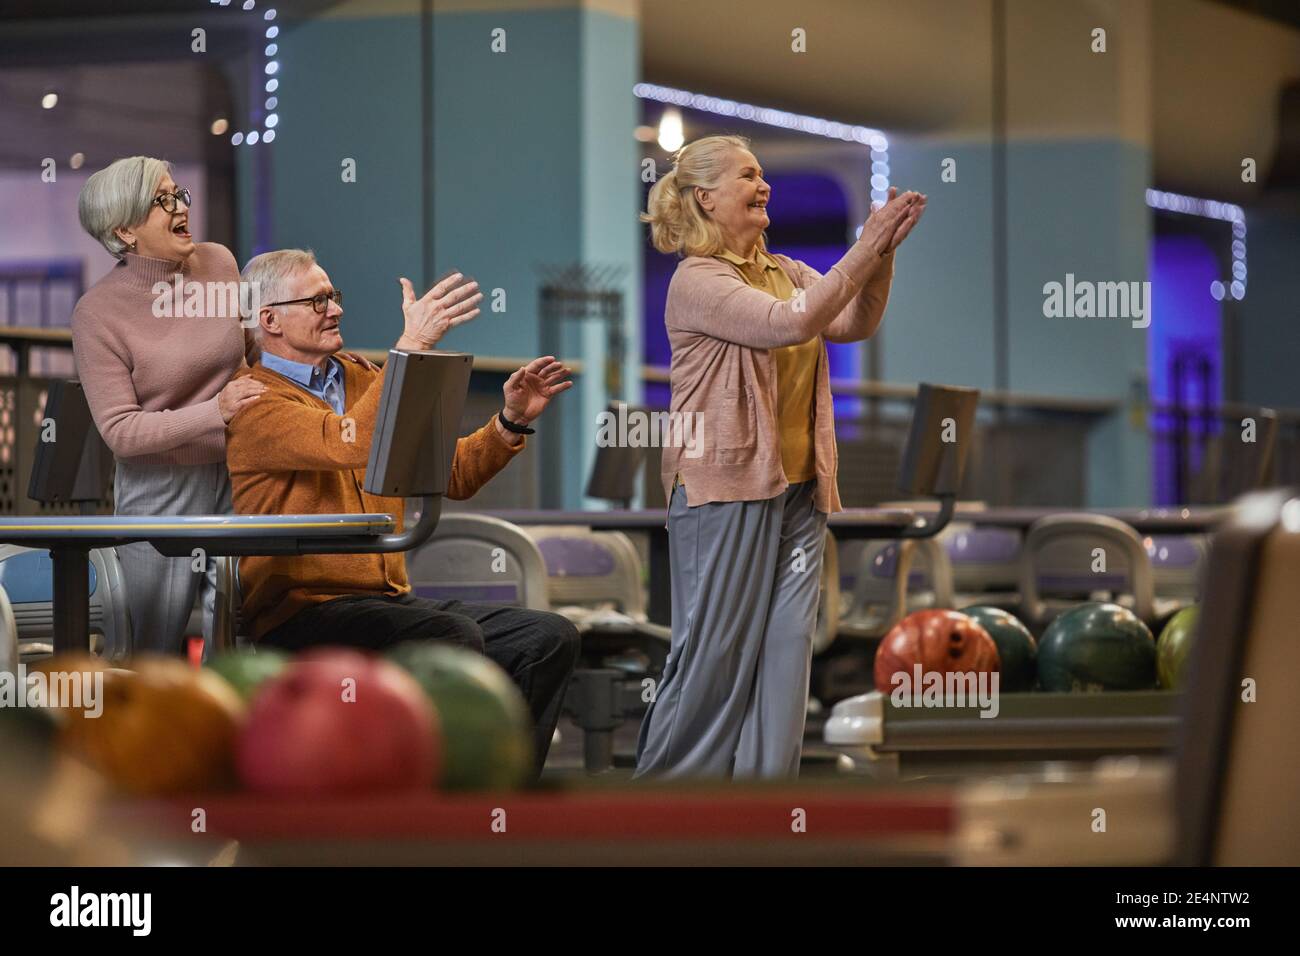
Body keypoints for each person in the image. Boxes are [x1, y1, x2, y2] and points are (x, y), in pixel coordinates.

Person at [635, 135, 926, 778]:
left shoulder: (785, 270)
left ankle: (765, 808)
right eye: (747, 176)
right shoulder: (698, 280)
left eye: (762, 173)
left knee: (788, 653)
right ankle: (664, 807)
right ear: (707, 198)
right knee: (716, 657)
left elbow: (850, 321)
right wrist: (866, 247)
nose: (762, 184)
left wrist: (884, 257)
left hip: (797, 491)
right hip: (724, 489)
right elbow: (789, 324)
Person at [226, 248, 580, 769]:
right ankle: (429, 805)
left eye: (334, 296)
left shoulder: (363, 380)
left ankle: (499, 798)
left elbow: (451, 474)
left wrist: (508, 423)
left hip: (387, 603)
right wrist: (411, 346)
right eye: (318, 299)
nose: (336, 309)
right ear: (269, 319)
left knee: (547, 638)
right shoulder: (254, 401)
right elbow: (351, 443)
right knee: (450, 638)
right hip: (305, 611)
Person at [71, 156, 265, 656]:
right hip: (159, 493)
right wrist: (214, 412)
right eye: (162, 200)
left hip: (241, 474)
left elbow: (253, 351)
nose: (180, 206)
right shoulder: (97, 314)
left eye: (179, 193)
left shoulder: (218, 262)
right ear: (125, 230)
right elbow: (121, 431)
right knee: (149, 653)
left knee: (242, 638)